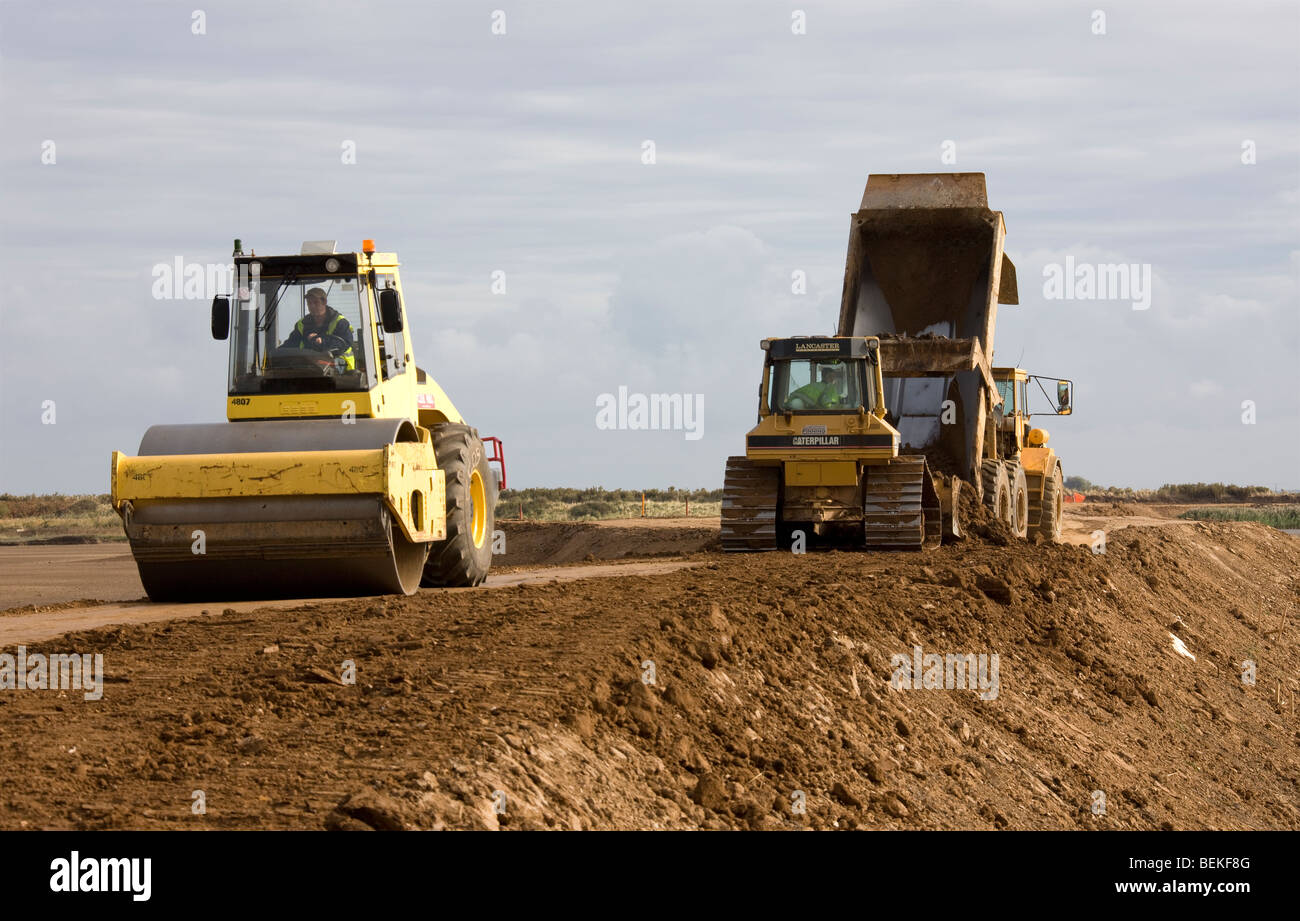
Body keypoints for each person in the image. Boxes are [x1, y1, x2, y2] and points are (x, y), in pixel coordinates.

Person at [284, 288, 355, 370]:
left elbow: (345, 342)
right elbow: (291, 344)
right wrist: (275, 354)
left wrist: (322, 342)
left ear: (324, 302)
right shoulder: (302, 324)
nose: (312, 306)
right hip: (311, 370)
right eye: (309, 303)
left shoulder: (340, 322)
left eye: (316, 302)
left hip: (342, 370)